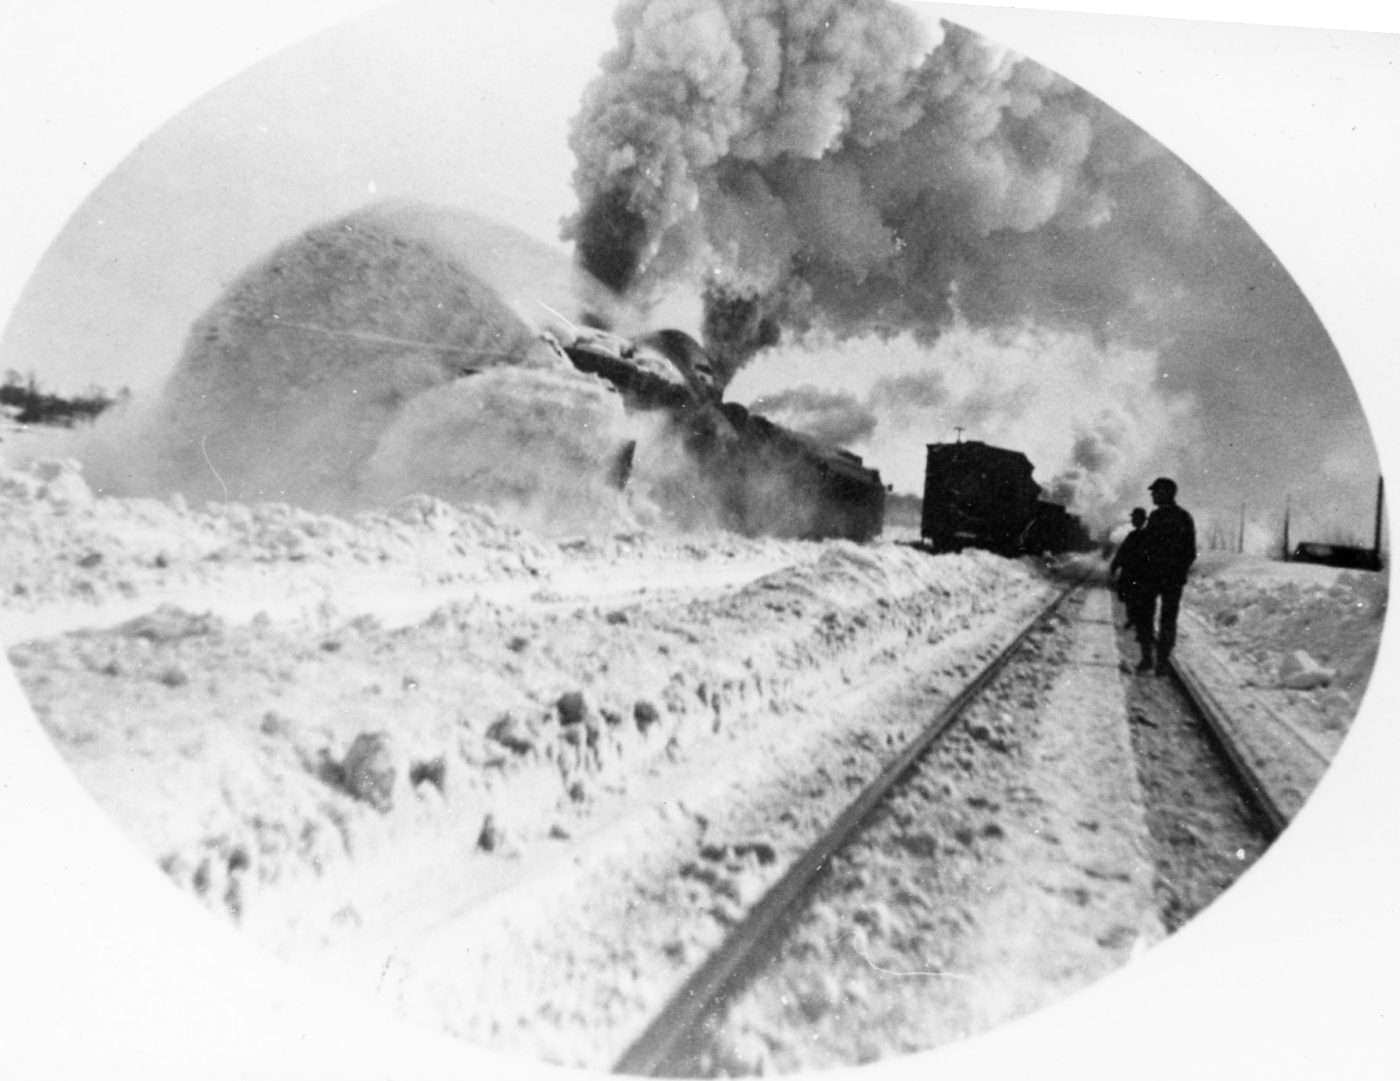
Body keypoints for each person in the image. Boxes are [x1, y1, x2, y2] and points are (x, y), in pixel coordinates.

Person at [1133, 477, 1196, 676]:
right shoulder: (1184, 517)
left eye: (1155, 492)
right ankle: (1161, 662)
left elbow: (1147, 548)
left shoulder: (1157, 517)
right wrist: (1178, 571)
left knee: (1145, 616)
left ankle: (1147, 659)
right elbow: (1190, 552)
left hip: (1153, 577)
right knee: (1168, 621)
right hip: (1171, 579)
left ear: (1166, 493)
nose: (1152, 495)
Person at [1110, 507, 1149, 629]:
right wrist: (1115, 564)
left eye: (1134, 518)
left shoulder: (1142, 535)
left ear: (1141, 519)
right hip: (1135, 573)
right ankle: (1134, 619)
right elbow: (1122, 552)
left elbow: (1122, 552)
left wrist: (1115, 565)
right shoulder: (1134, 534)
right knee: (1130, 597)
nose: (1132, 520)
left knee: (1133, 597)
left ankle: (1135, 620)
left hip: (1136, 573)